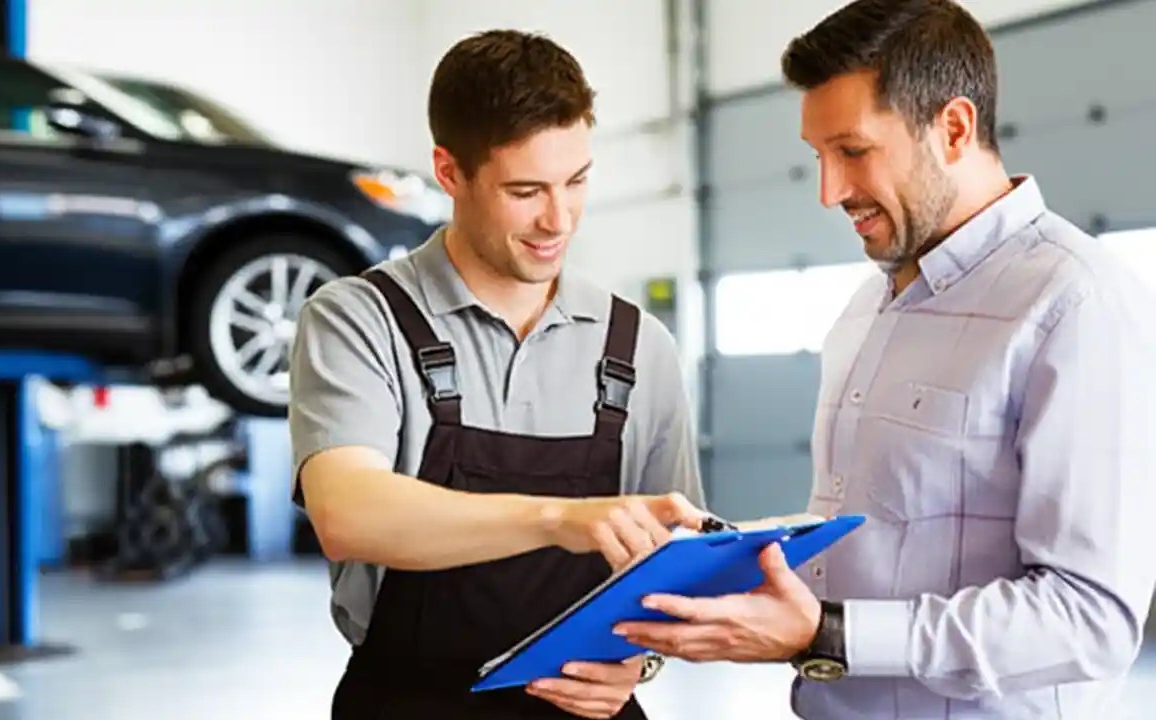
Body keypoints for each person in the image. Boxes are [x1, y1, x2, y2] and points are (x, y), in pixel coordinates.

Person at [613, 1, 1156, 718]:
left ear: (954, 128)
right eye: (818, 157)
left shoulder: (1075, 303)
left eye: (853, 151)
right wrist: (726, 583)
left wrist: (827, 632)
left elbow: (1090, 620)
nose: (828, 191)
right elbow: (870, 549)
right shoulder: (865, 311)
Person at [289, 29, 706, 720]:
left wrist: (640, 661)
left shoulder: (639, 346)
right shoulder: (359, 319)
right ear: (449, 172)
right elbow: (347, 513)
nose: (558, 218)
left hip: (587, 710)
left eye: (576, 182)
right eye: (525, 190)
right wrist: (559, 519)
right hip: (406, 703)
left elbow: (680, 556)